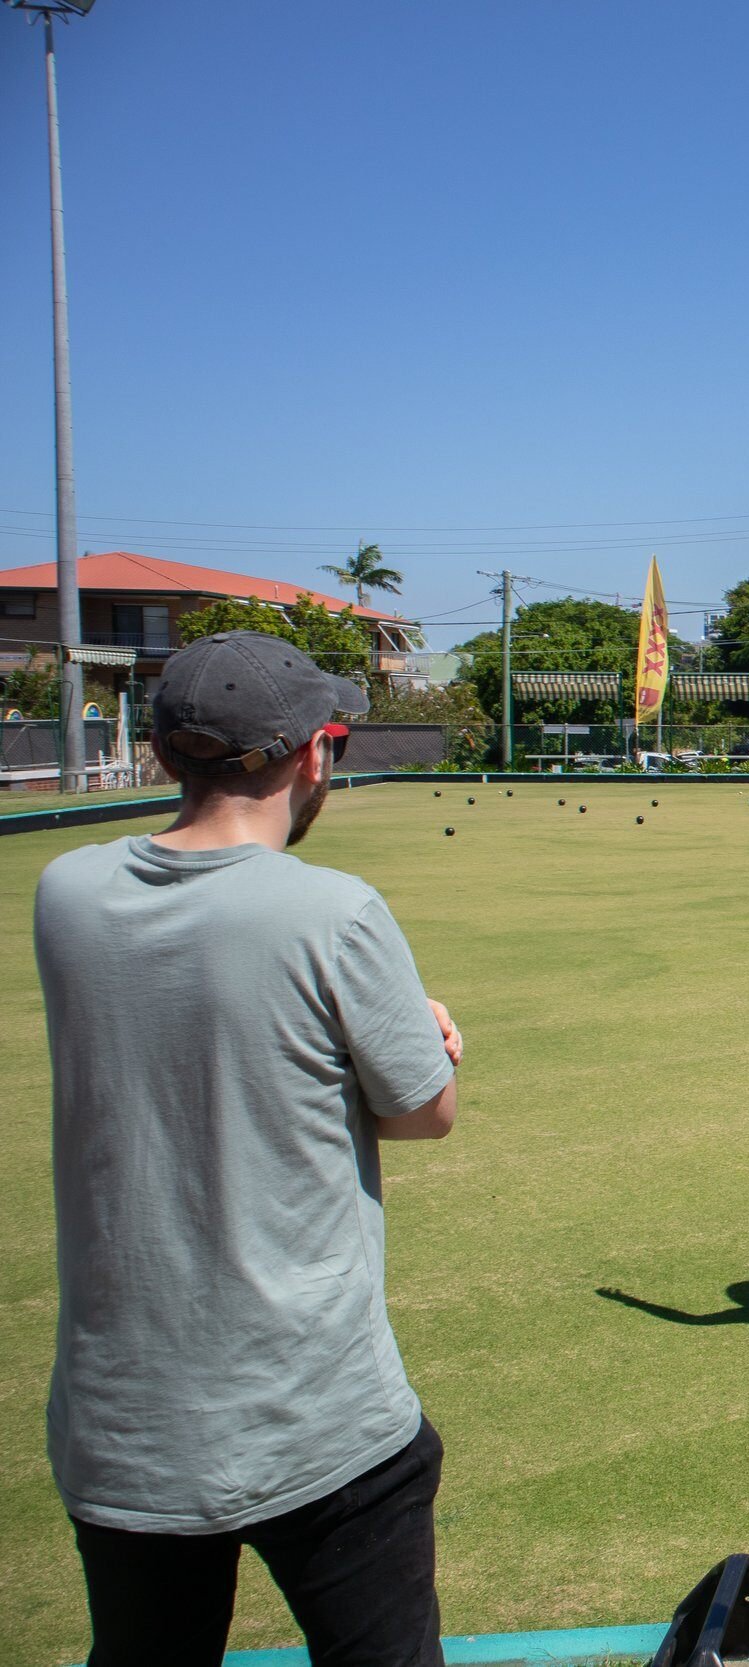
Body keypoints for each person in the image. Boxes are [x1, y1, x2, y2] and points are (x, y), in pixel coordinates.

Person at [33, 631, 464, 1667]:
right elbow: (423, 1109)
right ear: (315, 752)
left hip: (119, 1421)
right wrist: (427, 1029)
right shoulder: (334, 910)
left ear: (170, 753)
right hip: (315, 1413)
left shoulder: (66, 894)